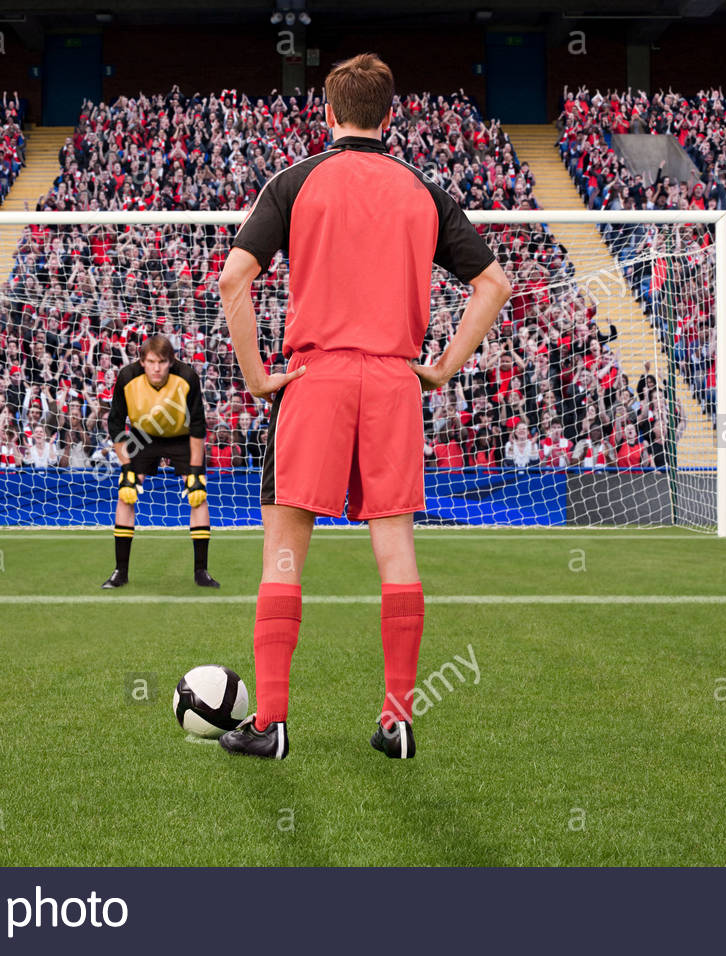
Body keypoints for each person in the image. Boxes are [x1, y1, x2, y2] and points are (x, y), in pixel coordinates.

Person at [217, 54, 511, 759]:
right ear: (390, 116)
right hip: (391, 383)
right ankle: (397, 717)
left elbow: (234, 278)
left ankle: (272, 723)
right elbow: (494, 284)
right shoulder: (423, 191)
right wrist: (441, 367)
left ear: (328, 113)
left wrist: (259, 377)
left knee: (285, 551)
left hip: (313, 378)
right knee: (396, 548)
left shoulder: (295, 183)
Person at [102, 333, 219, 589]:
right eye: (152, 361)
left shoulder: (188, 377)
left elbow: (198, 425)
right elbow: (115, 423)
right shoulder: (126, 377)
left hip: (181, 435)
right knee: (126, 492)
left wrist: (197, 472)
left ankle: (201, 571)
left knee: (198, 493)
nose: (157, 368)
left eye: (163, 362)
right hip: (143, 436)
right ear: (142, 361)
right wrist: (127, 468)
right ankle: (120, 571)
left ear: (172, 361)